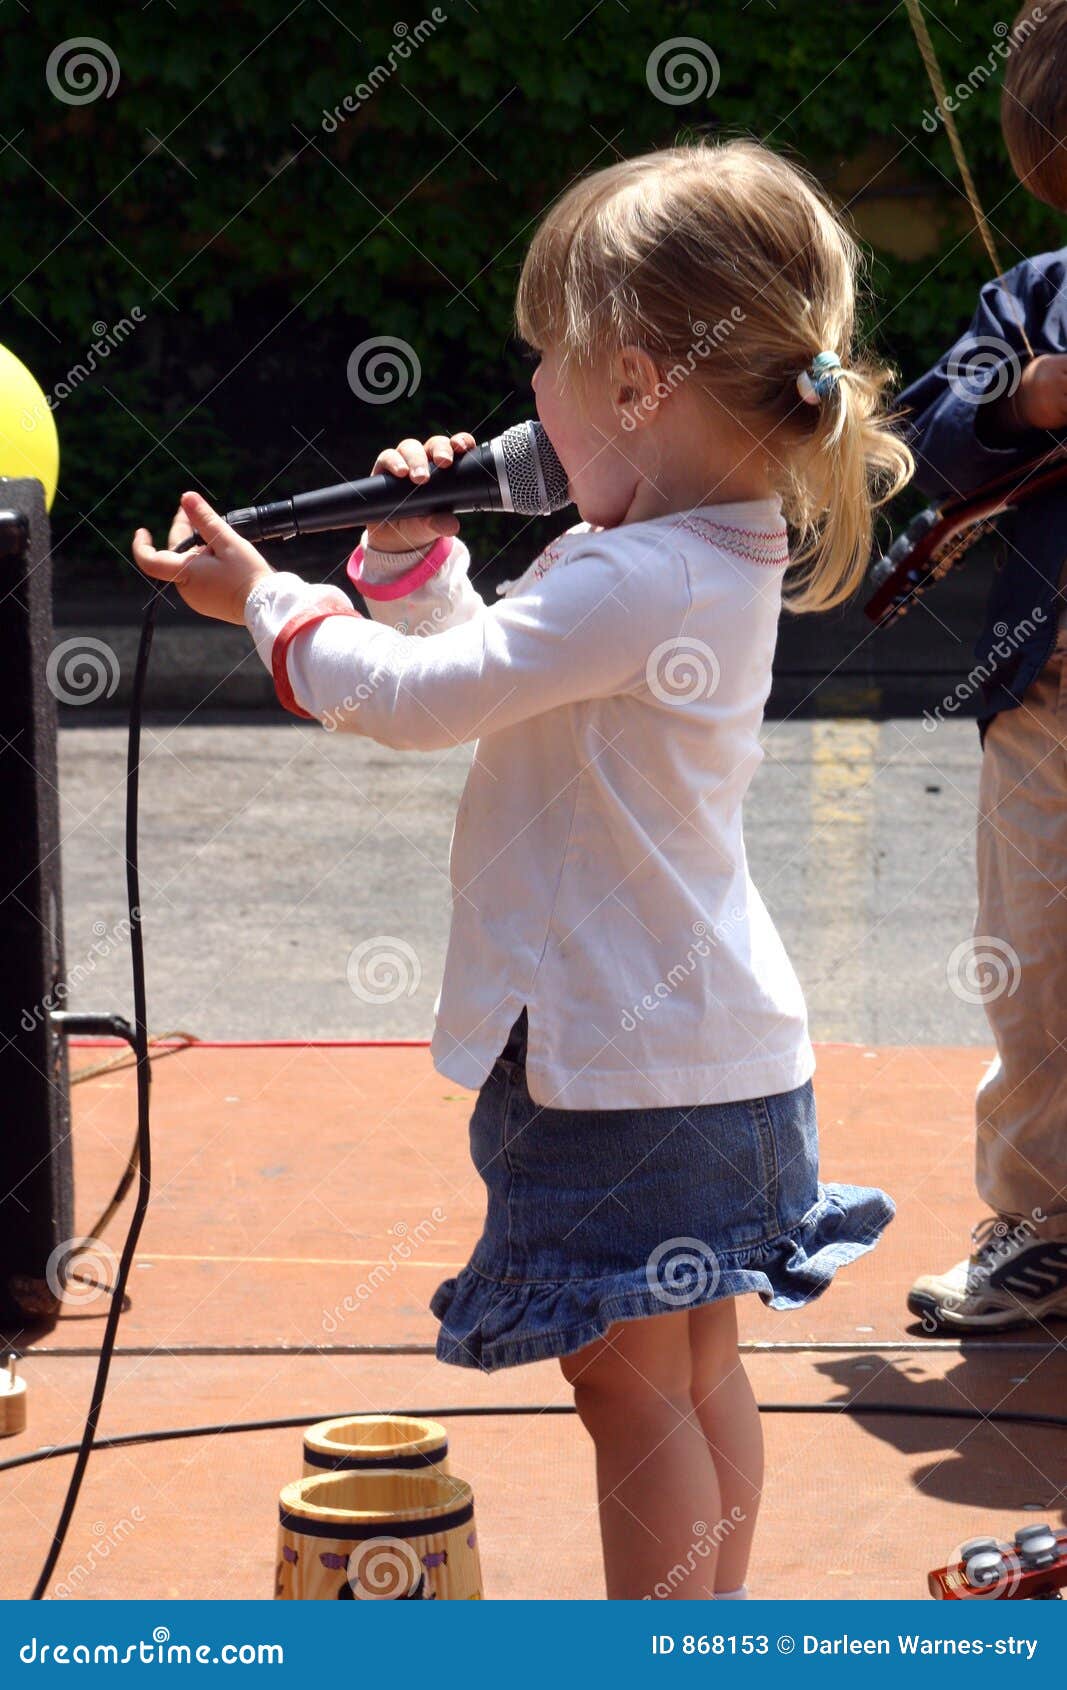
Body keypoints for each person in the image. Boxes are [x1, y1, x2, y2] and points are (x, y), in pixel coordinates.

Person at [132, 138, 909, 1601]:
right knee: (699, 1370)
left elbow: (421, 706)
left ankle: (654, 1643)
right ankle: (706, 1633)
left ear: (630, 387)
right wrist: (416, 566)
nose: (525, 401)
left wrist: (269, 601)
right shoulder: (700, 552)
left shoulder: (630, 578)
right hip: (722, 1060)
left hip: (619, 1075)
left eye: (546, 361)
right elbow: (493, 674)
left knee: (627, 1393)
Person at [898, 0, 1067, 1333]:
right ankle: (1044, 1222)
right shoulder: (1034, 297)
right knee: (1037, 965)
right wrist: (1023, 401)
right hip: (1050, 694)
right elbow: (929, 439)